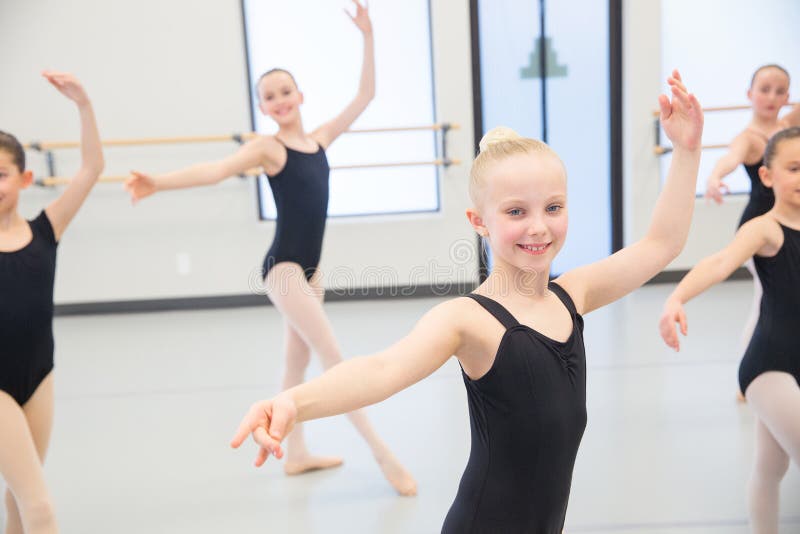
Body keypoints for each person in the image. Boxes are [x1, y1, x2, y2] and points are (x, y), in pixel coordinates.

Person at [231, 70, 704, 532]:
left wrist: (686, 151)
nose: (539, 226)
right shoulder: (468, 320)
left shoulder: (573, 295)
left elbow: (661, 244)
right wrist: (293, 401)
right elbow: (380, 370)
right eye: (516, 211)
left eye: (553, 207)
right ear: (479, 221)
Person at [124, 1, 416, 495]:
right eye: (269, 97)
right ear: (263, 107)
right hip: (283, 270)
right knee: (335, 362)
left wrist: (367, 36)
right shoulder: (268, 148)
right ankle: (384, 455)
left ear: (299, 95)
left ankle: (296, 455)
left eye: (285, 91)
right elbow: (215, 170)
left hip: (312, 271)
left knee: (295, 366)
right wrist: (159, 181)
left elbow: (366, 93)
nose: (279, 101)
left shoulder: (320, 140)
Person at [660, 126, 800, 534]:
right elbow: (720, 263)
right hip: (769, 366)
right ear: (768, 177)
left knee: (770, 466)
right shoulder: (765, 229)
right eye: (793, 168)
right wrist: (676, 298)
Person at [1, 72, 104, 534]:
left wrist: (83, 104)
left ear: (24, 178)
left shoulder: (47, 229)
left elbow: (92, 169)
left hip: (40, 376)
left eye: (0, 174)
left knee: (22, 495)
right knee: (40, 505)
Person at [704, 65, 800, 399]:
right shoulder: (750, 139)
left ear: (788, 97)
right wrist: (715, 177)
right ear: (750, 94)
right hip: (760, 231)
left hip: (790, 229)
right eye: (764, 89)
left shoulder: (789, 128)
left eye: (780, 91)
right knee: (766, 304)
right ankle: (752, 376)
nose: (772, 97)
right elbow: (729, 159)